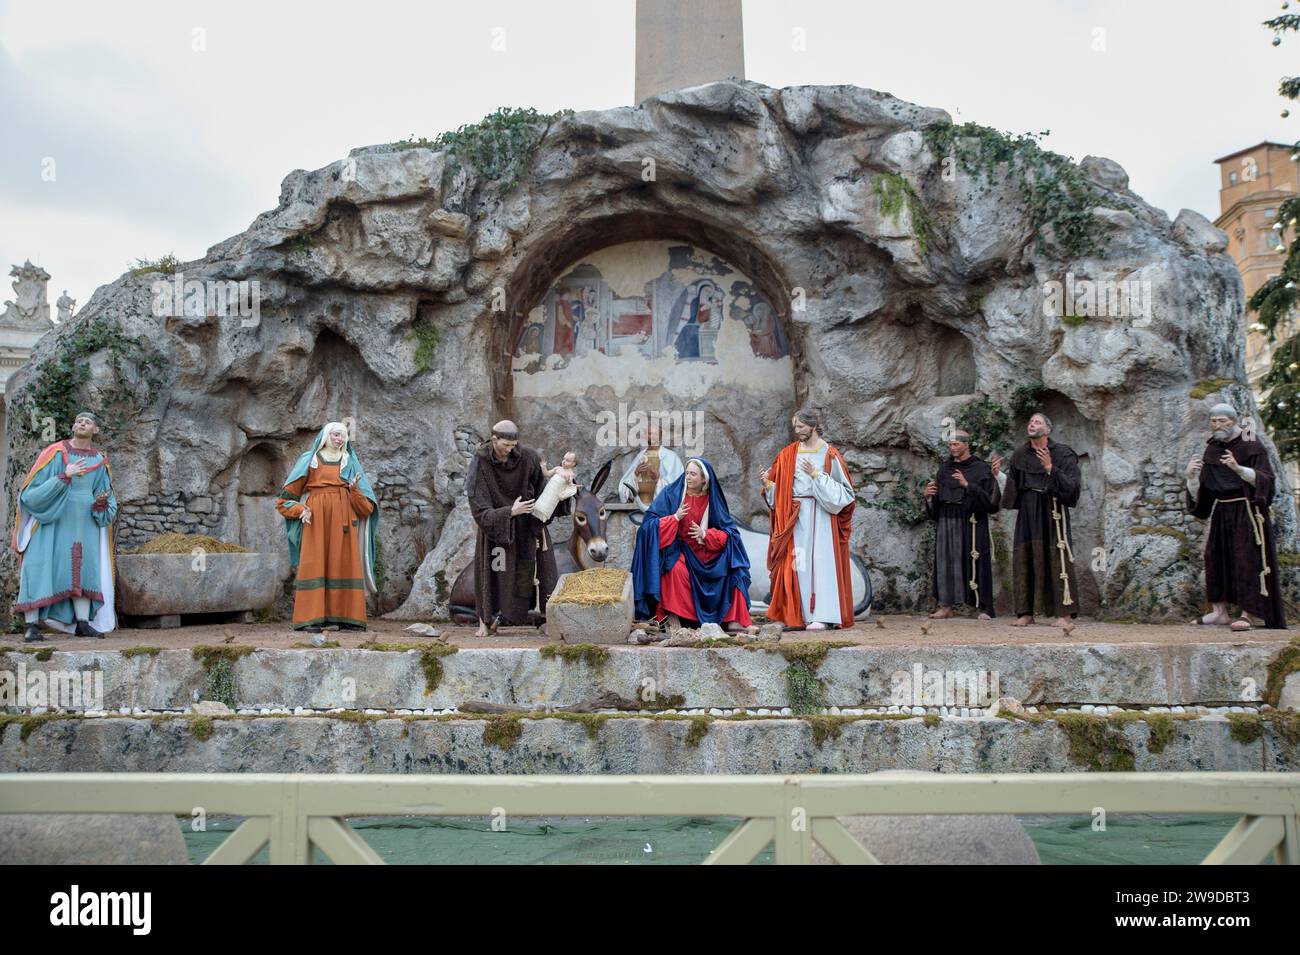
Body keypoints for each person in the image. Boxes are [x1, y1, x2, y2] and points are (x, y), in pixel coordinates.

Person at [11, 411, 117, 640]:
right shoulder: (55, 453)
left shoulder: (99, 461)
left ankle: (82, 623)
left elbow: (106, 499)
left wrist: (101, 502)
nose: (82, 423)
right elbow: (30, 494)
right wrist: (64, 476)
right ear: (72, 427)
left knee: (82, 567)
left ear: (95, 430)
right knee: (39, 566)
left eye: (88, 422)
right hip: (52, 517)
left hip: (83, 522)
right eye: (79, 420)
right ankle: (31, 627)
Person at [1185, 403, 1286, 630]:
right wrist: (1191, 478)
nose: (1217, 425)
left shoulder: (1251, 443)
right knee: (1214, 557)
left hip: (1248, 510)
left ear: (1234, 421)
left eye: (1222, 420)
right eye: (1213, 421)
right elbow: (1205, 492)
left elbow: (1267, 480)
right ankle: (1219, 612)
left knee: (1247, 559)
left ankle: (1247, 613)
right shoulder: (1212, 448)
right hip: (1222, 511)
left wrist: (1239, 469)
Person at [467, 420, 572, 636]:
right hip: (497, 528)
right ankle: (485, 621)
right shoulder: (480, 461)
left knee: (536, 571)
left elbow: (544, 490)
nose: (510, 449)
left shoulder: (529, 457)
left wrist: (562, 482)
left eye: (514, 445)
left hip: (528, 524)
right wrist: (509, 512)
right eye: (506, 445)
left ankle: (545, 618)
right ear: (494, 440)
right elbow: (478, 504)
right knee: (493, 572)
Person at [632, 457, 755, 632]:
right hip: (680, 550)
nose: (688, 477)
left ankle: (734, 619)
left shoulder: (713, 500)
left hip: (707, 552)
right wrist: (675, 518)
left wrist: (706, 534)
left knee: (733, 566)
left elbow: (731, 534)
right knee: (674, 569)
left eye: (693, 474)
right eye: (686, 473)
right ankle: (672, 616)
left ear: (704, 479)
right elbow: (648, 526)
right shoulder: (671, 494)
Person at [276, 422, 378, 633]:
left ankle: (348, 617)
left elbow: (367, 507)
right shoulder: (310, 460)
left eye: (343, 436)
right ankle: (310, 618)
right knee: (315, 562)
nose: (340, 439)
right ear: (325, 435)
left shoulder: (350, 463)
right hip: (316, 518)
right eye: (335, 434)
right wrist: (300, 510)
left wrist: (354, 490)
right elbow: (285, 500)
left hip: (344, 517)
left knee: (344, 562)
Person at [761, 408, 856, 631]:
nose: (797, 431)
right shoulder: (788, 454)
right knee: (797, 565)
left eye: (801, 426)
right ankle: (798, 615)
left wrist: (817, 475)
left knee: (821, 564)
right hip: (795, 516)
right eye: (795, 427)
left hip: (821, 516)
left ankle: (822, 615)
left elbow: (845, 494)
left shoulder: (829, 454)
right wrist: (769, 486)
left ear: (812, 426)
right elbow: (781, 490)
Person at [998, 412, 1081, 628]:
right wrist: (998, 477)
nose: (1032, 424)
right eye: (1030, 421)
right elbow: (1012, 491)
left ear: (1048, 429)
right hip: (1027, 511)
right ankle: (1025, 613)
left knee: (1057, 558)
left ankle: (1063, 614)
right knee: (1024, 558)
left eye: (1037, 421)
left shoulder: (1063, 454)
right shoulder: (1019, 455)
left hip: (1052, 509)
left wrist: (1050, 469)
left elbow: (1073, 488)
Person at [924, 430, 1001, 619]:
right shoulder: (944, 469)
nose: (952, 448)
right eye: (950, 444)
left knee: (977, 562)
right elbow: (937, 498)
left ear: (967, 445)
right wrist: (928, 497)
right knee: (945, 562)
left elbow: (991, 503)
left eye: (956, 444)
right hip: (947, 518)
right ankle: (946, 605)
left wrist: (968, 485)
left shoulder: (982, 468)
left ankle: (984, 608)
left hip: (971, 520)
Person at [618, 424, 684, 510]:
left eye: (655, 434)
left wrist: (658, 479)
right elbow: (624, 489)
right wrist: (635, 474)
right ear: (646, 436)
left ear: (661, 436)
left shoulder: (671, 457)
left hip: (662, 511)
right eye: (649, 433)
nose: (652, 436)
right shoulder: (640, 457)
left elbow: (678, 487)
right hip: (639, 506)